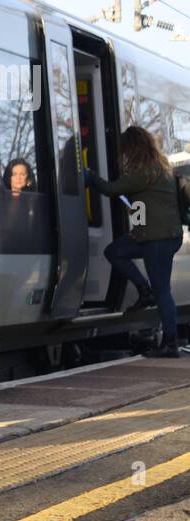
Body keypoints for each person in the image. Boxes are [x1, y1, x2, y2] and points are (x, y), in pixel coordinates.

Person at [85, 125, 186, 358]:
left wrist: (90, 177)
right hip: (159, 236)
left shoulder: (144, 171)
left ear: (132, 148)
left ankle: (170, 344)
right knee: (115, 251)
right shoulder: (160, 168)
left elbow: (110, 189)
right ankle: (144, 290)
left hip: (157, 240)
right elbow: (141, 203)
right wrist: (138, 229)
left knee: (163, 291)